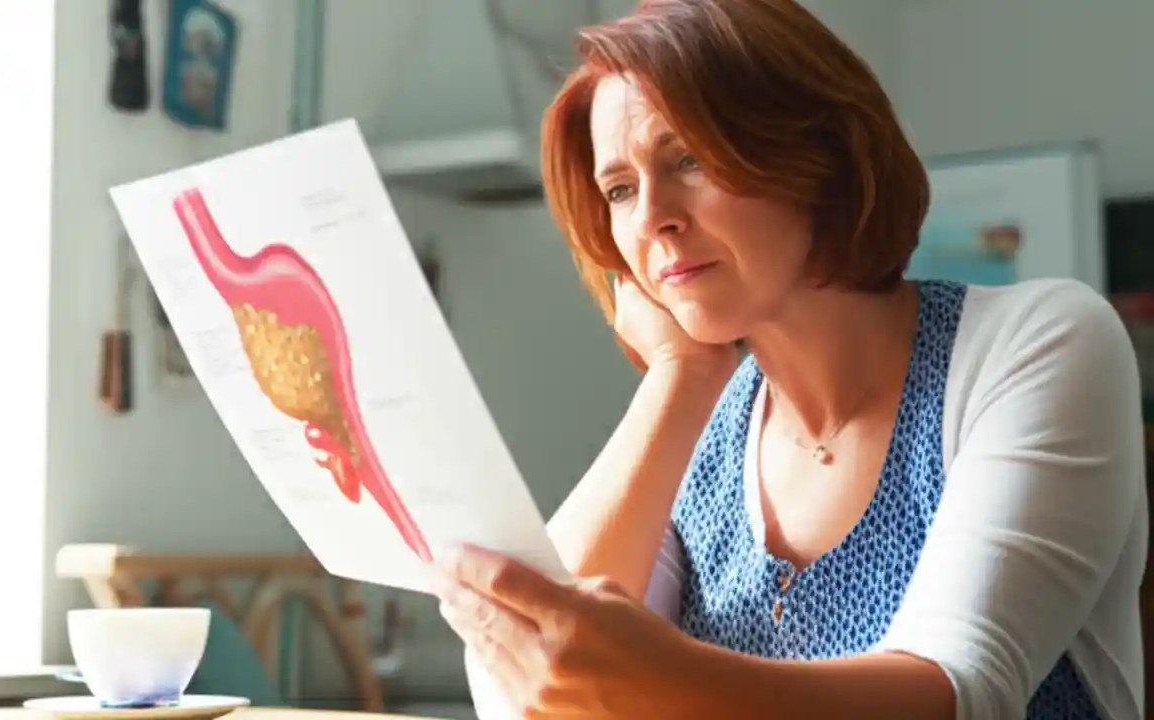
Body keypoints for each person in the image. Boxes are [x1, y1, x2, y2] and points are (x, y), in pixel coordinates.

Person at [428, 0, 1149, 718]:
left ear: (818, 159)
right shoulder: (703, 431)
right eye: (620, 189)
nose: (650, 218)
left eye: (688, 159)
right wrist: (681, 379)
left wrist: (660, 679)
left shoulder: (1038, 344)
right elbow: (516, 692)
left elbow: (960, 692)